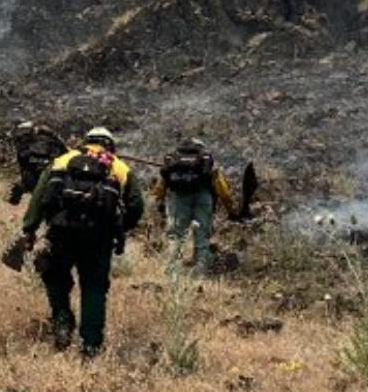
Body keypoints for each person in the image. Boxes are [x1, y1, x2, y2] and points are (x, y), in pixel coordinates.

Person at [20, 126, 145, 357]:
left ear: (85, 142)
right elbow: (137, 205)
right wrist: (119, 228)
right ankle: (90, 346)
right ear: (110, 145)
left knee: (55, 277)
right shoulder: (119, 167)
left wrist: (29, 229)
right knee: (94, 288)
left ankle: (63, 322)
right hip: (98, 239)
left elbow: (39, 196)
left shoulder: (63, 160)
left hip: (60, 232)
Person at [151, 138, 236, 274]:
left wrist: (158, 199)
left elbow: (162, 184)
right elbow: (222, 189)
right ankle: (200, 271)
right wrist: (231, 208)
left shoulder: (175, 161)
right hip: (203, 198)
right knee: (202, 236)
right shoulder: (206, 161)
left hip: (179, 198)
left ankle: (172, 271)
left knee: (176, 235)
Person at [6, 121, 69, 205]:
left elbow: (65, 155)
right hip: (43, 180)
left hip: (53, 179)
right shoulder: (25, 149)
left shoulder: (48, 142)